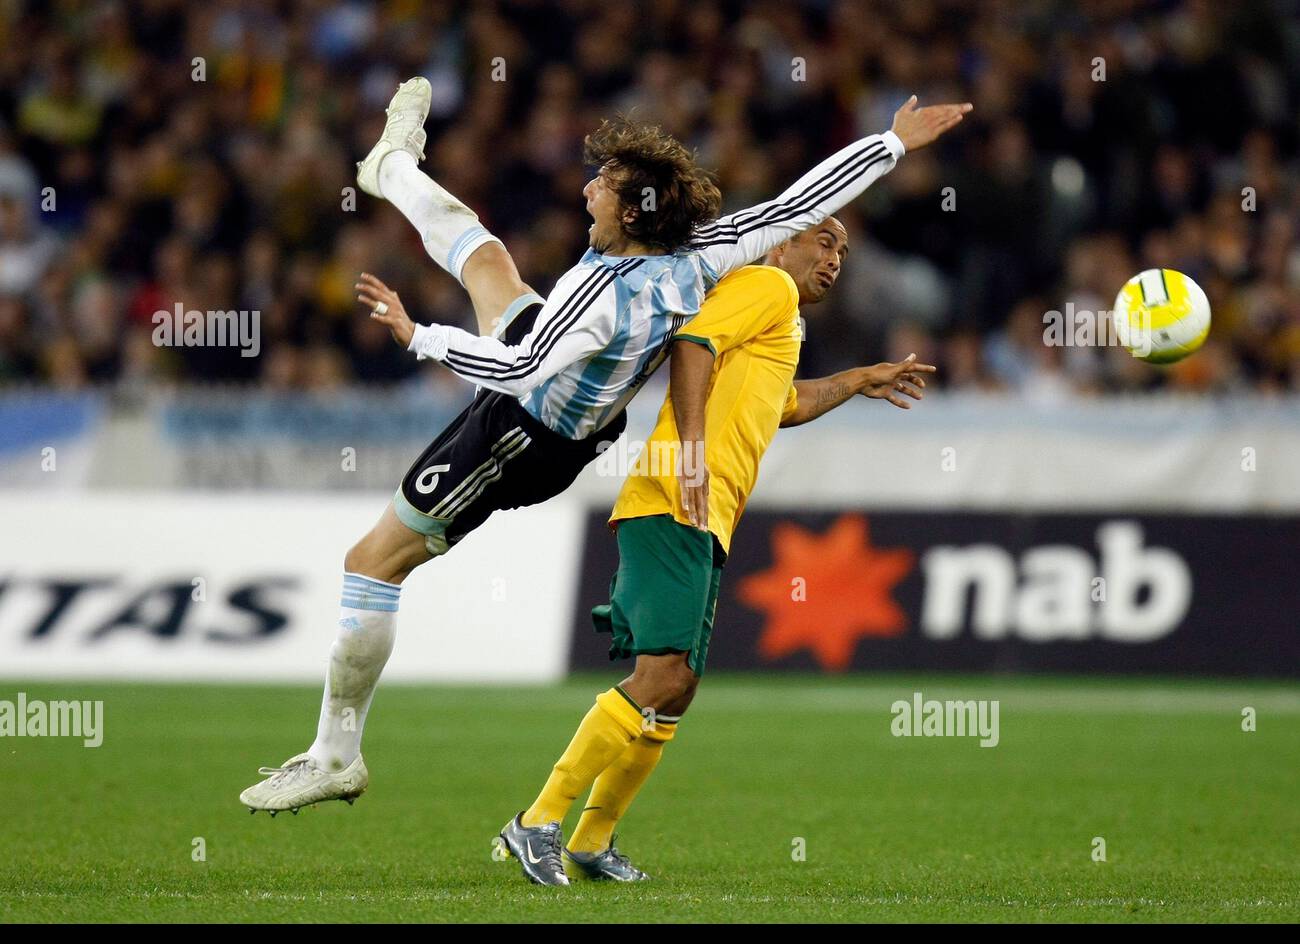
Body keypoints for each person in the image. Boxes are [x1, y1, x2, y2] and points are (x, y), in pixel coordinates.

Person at [239, 76, 968, 815]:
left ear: (631, 210)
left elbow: (520, 370)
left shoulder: (601, 299)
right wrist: (890, 144)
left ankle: (336, 755)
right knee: (487, 258)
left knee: (371, 563)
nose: (587, 192)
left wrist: (417, 335)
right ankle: (392, 165)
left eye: (602, 185)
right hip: (569, 401)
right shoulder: (700, 254)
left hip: (522, 434)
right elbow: (795, 205)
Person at [497, 216, 937, 884]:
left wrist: (856, 380)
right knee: (663, 676)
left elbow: (780, 405)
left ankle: (592, 838)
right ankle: (537, 822)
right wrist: (696, 448)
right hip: (676, 498)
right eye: (824, 241)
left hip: (703, 514)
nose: (836, 258)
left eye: (844, 250)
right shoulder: (766, 285)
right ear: (782, 242)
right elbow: (694, 344)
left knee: (678, 688)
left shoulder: (782, 318)